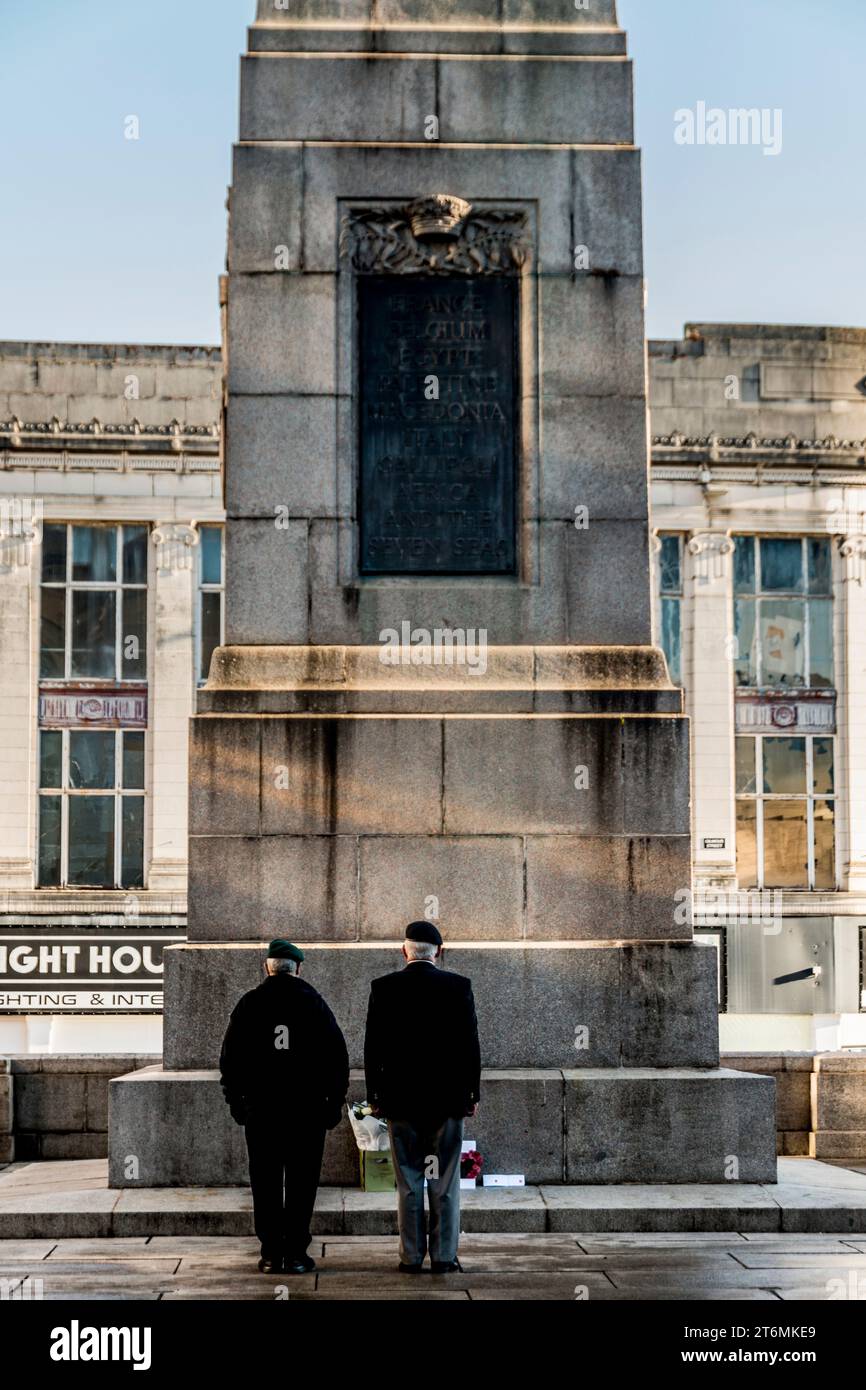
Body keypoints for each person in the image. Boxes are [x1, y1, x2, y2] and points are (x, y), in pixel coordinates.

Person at [219, 939, 349, 1274]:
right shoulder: (314, 1003)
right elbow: (337, 1058)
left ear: (267, 967)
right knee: (302, 1182)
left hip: (262, 1113)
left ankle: (269, 1253)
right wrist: (332, 1105)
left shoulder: (250, 1004)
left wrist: (238, 1104)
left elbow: (230, 1059)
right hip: (306, 1113)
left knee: (265, 1182)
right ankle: (296, 1253)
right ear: (298, 968)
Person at [364, 921, 481, 1274]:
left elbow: (373, 1049)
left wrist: (375, 1095)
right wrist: (471, 1092)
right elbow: (469, 1046)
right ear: (439, 952)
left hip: (400, 1102)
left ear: (404, 951)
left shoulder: (383, 988)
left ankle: (410, 1256)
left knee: (409, 1181)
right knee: (444, 1179)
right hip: (446, 1102)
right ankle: (444, 1257)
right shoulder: (458, 987)